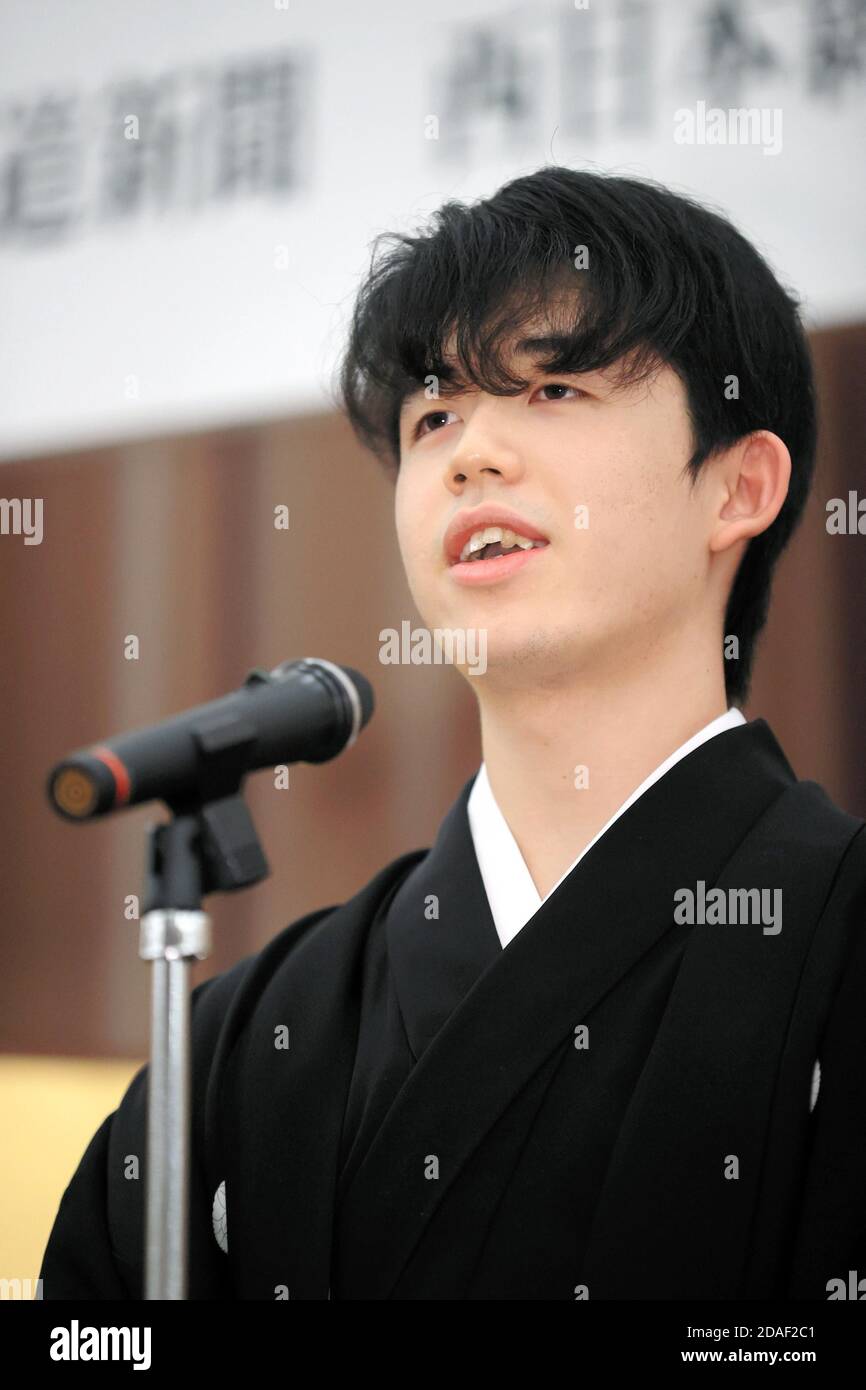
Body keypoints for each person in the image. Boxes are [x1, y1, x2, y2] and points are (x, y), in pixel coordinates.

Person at [40, 166, 866, 1300]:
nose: (468, 452)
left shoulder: (838, 941)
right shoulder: (254, 1031)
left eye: (552, 390)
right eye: (433, 415)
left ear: (736, 487)